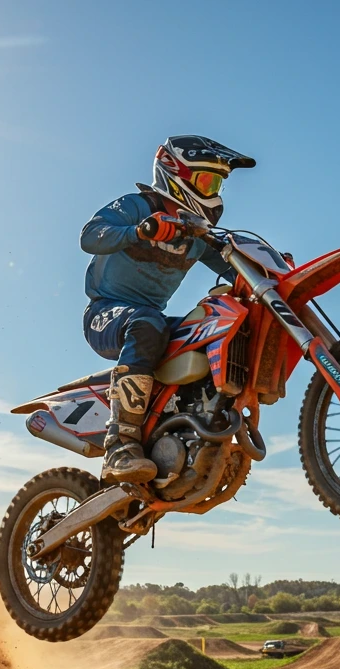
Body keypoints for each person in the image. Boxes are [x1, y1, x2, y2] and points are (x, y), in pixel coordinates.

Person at [80, 135, 255, 484]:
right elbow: (90, 235)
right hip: (106, 314)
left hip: (152, 321)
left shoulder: (196, 234)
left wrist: (266, 270)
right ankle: (120, 443)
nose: (214, 190)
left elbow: (231, 267)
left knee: (216, 328)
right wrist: (141, 230)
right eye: (207, 180)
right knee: (148, 323)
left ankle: (188, 432)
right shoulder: (140, 205)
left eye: (217, 182)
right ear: (177, 173)